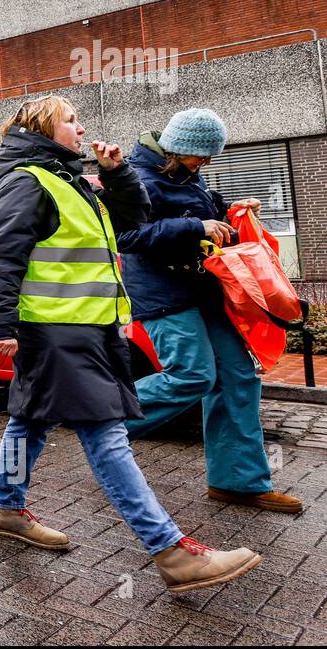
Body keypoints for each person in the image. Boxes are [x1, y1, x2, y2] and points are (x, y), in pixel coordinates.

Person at [0, 95, 261, 594]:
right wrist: (0, 322)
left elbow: (128, 225)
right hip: (54, 332)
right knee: (106, 437)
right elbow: (1, 255)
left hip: (88, 327)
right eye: (71, 120)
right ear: (45, 129)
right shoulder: (27, 182)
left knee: (32, 421)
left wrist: (117, 174)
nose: (82, 128)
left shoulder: (69, 181)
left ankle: (6, 507)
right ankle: (170, 552)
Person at [117, 110, 302, 514]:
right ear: (178, 148)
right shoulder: (138, 179)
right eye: (201, 156)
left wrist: (234, 210)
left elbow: (208, 212)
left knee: (237, 377)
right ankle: (106, 425)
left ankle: (238, 482)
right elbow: (127, 237)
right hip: (163, 294)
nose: (207, 163)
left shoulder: (188, 174)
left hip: (205, 290)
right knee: (193, 375)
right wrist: (196, 227)